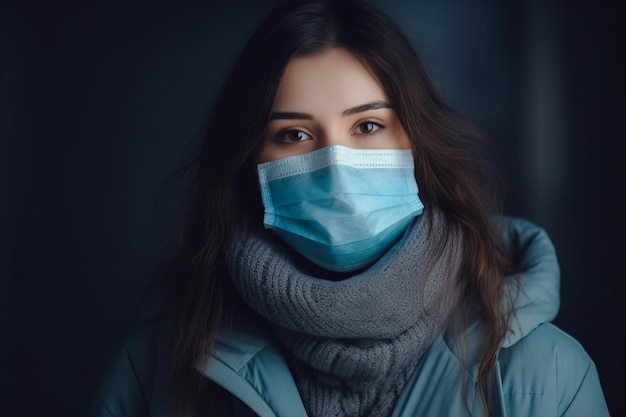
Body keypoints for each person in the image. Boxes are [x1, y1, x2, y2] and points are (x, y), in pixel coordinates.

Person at [88, 0, 610, 416]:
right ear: (249, 161)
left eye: (367, 126)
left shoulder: (548, 376)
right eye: (293, 134)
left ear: (416, 144)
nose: (336, 169)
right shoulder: (157, 367)